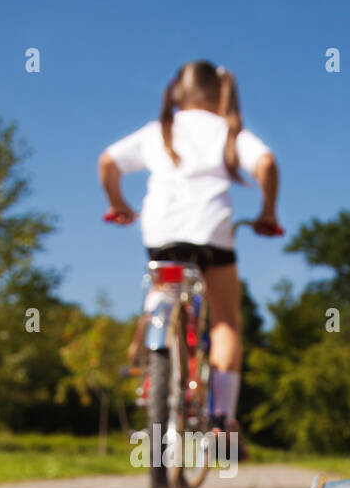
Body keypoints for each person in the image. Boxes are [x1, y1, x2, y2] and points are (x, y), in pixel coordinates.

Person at [99, 59, 280, 446]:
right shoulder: (228, 131)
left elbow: (108, 162)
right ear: (220, 93)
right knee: (226, 322)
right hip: (212, 236)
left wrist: (119, 205)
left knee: (162, 290)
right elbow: (266, 163)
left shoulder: (159, 131)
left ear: (178, 93)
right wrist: (267, 212)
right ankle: (221, 419)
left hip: (162, 233)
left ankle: (155, 353)